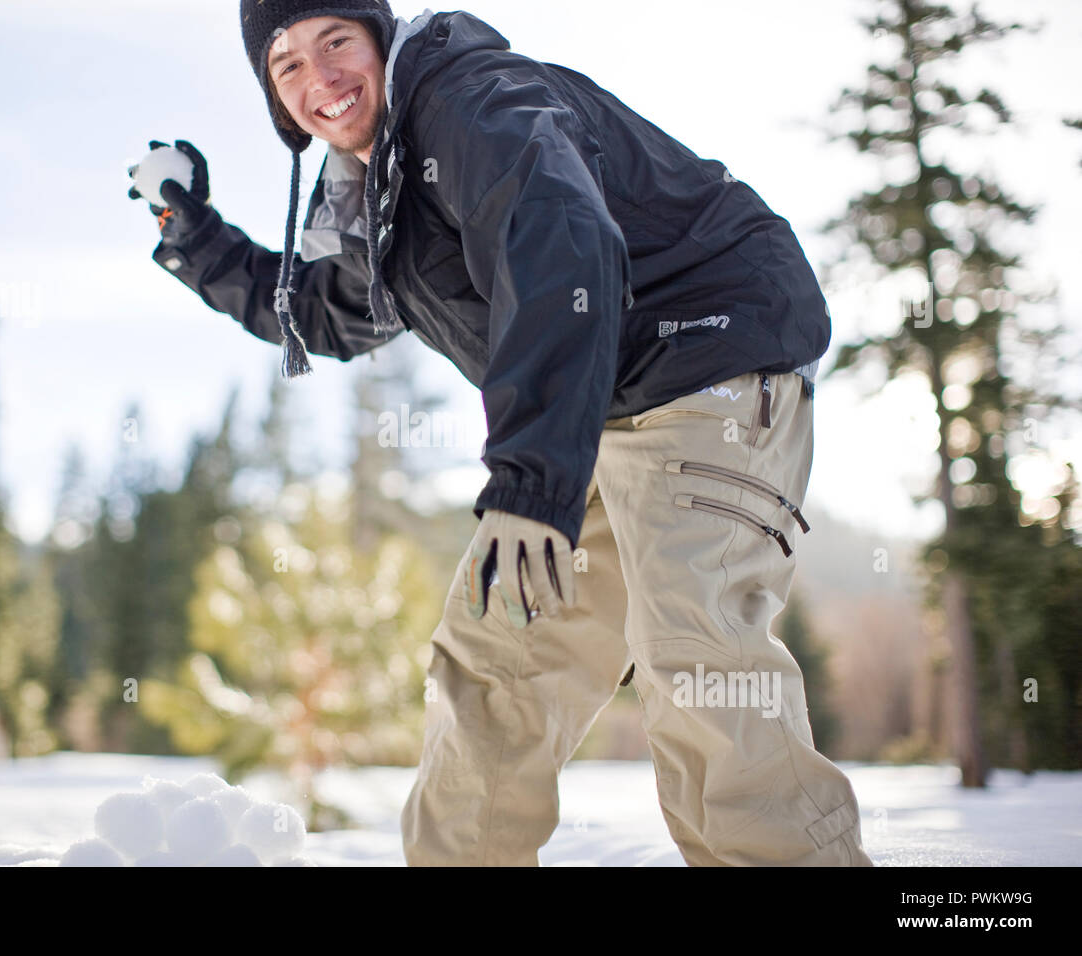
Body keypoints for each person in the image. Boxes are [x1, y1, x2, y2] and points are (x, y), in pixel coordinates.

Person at [129, 0, 873, 867]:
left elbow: (560, 245)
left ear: (380, 39)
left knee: (696, 657)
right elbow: (322, 315)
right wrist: (193, 237)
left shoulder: (473, 101)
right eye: (286, 63)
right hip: (595, 410)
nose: (319, 79)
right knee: (491, 669)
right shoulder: (389, 194)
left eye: (336, 41)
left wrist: (529, 482)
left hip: (707, 359)